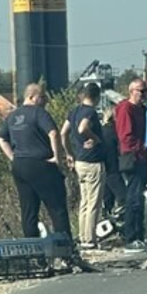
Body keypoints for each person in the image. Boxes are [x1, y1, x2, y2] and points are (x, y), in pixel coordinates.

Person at [0, 83, 71, 239]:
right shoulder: (39, 113)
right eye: (43, 97)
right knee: (57, 208)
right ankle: (65, 250)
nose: (46, 100)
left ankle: (34, 254)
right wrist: (57, 158)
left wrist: (13, 157)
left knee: (29, 212)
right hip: (41, 163)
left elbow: (1, 137)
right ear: (32, 97)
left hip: (20, 165)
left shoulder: (12, 116)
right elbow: (53, 133)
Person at [61, 83, 105, 249]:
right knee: (93, 202)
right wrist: (95, 138)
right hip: (93, 161)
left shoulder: (74, 111)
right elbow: (82, 128)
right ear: (97, 96)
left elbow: (63, 132)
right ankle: (90, 239)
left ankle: (82, 235)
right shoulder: (90, 112)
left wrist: (69, 153)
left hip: (79, 160)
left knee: (84, 202)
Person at [115, 78, 147, 252]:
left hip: (142, 157)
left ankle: (140, 234)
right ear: (132, 91)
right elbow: (125, 136)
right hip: (132, 156)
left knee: (140, 197)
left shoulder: (142, 110)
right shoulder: (125, 109)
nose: (144, 95)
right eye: (141, 91)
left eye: (146, 91)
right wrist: (140, 149)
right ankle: (131, 237)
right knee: (133, 198)